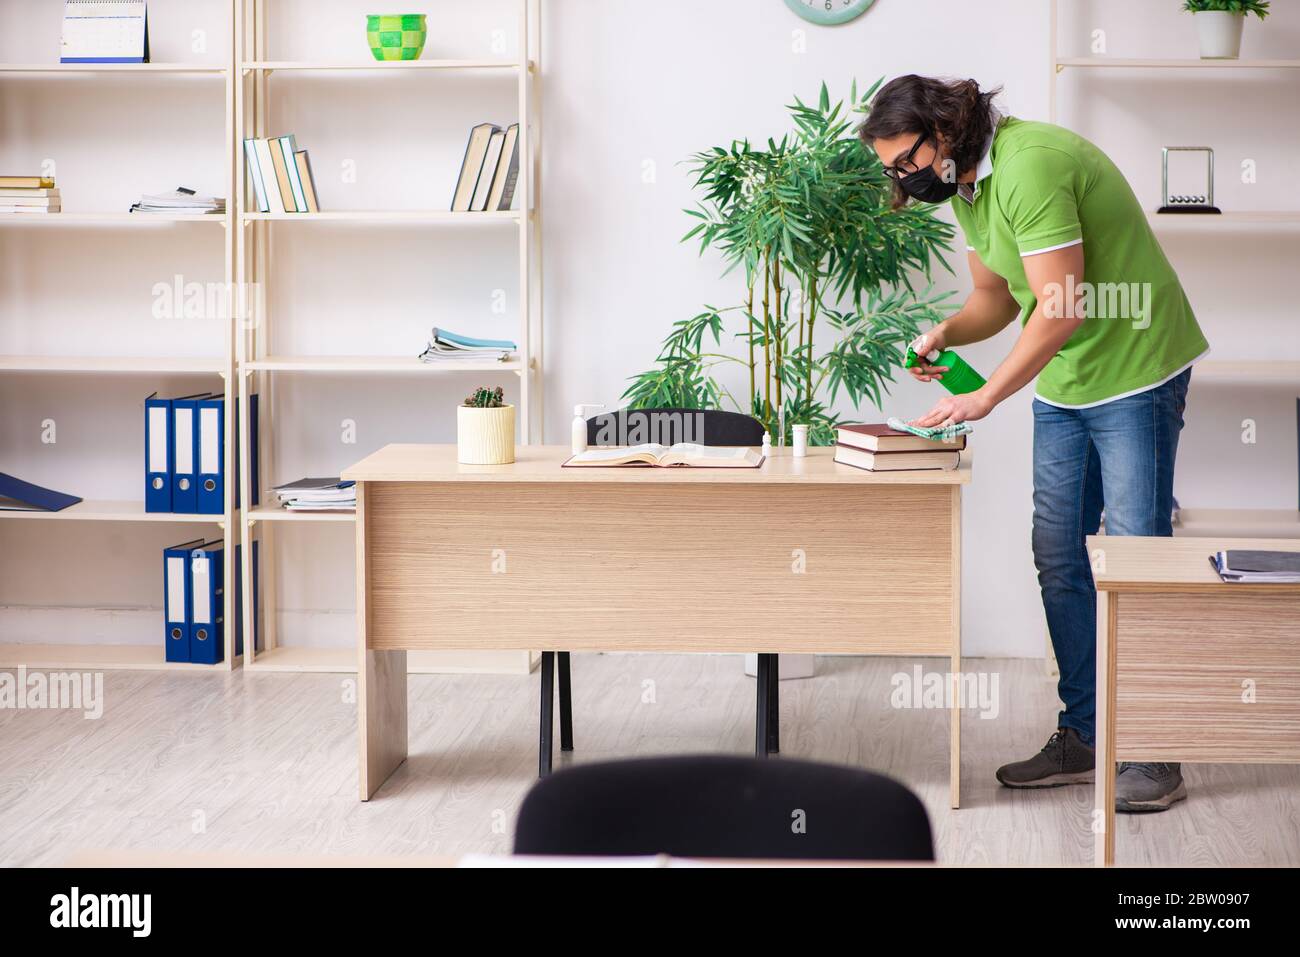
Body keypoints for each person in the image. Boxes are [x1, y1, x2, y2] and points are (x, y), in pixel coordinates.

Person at [860, 75, 1208, 812]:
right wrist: (946, 333)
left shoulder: (1032, 165)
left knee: (1136, 554)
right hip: (1068, 379)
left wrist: (985, 395)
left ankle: (1153, 750)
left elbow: (1061, 308)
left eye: (907, 161)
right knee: (1059, 553)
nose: (903, 178)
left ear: (944, 132)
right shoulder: (968, 190)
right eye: (892, 170)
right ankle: (1085, 732)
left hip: (1138, 367)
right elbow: (997, 299)